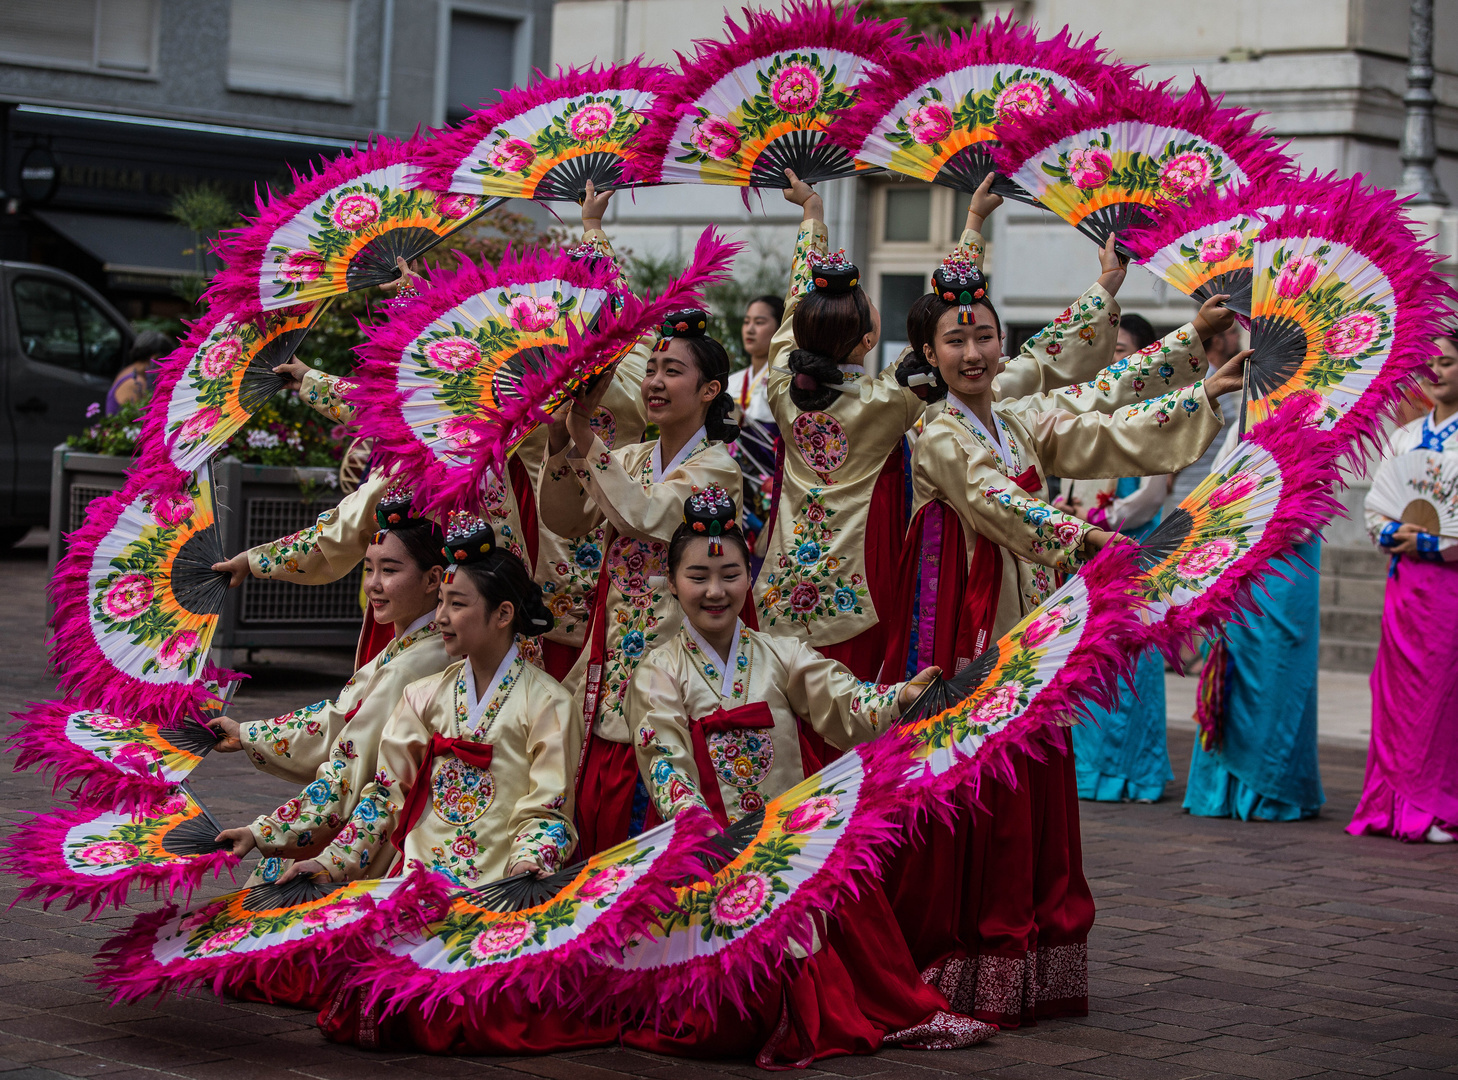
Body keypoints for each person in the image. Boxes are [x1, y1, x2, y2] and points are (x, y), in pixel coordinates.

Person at [880, 266, 1246, 1027]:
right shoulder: (937, 430)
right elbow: (995, 501)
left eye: (985, 336)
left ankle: (1025, 957)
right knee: (975, 781)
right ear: (928, 352)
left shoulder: (1014, 418)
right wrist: (1086, 540)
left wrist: (1203, 383)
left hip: (1028, 616)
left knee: (1030, 776)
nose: (974, 353)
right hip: (963, 632)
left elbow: (1097, 420)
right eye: (956, 342)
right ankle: (955, 957)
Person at [615, 487, 991, 1060]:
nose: (715, 591)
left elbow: (844, 700)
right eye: (697, 576)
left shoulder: (781, 653)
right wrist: (700, 834)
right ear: (671, 583)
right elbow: (663, 759)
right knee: (722, 1021)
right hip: (707, 851)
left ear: (749, 577)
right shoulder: (657, 672)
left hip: (788, 842)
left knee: (851, 964)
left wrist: (897, 698)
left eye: (730, 575)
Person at [535, 303, 742, 855]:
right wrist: (558, 440)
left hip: (675, 657)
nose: (654, 382)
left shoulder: (717, 468)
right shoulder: (630, 457)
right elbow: (565, 519)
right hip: (613, 651)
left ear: (709, 390)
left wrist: (585, 434)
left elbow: (644, 516)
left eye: (672, 371)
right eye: (651, 370)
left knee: (657, 796)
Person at [280, 514, 573, 889]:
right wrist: (332, 861)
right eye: (440, 602)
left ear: (503, 613)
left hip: (502, 883)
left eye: (457, 604)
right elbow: (386, 797)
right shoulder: (421, 695)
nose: (441, 617)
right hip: (415, 880)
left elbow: (548, 808)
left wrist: (529, 861)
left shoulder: (550, 703)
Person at [206, 485, 449, 784]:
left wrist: (271, 828)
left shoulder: (407, 667)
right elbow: (343, 716)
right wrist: (247, 735)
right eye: (368, 569)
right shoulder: (406, 648)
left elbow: (348, 769)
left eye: (388, 570)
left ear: (435, 578)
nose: (373, 584)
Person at [515, 181, 649, 681]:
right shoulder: (639, 368)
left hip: (557, 540)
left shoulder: (527, 379)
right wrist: (592, 226)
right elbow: (622, 302)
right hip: (614, 534)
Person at [1348, 334, 1458, 843]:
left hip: (1449, 587)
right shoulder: (1404, 437)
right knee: (1394, 693)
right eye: (1430, 363)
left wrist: (1435, 542)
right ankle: (1389, 803)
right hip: (1404, 585)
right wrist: (1396, 534)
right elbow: (1377, 509)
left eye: (1448, 362)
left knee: (1442, 694)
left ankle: (1436, 804)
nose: (1437, 372)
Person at [1185, 423, 1325, 822]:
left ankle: (1272, 788)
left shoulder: (1322, 424)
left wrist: (1259, 508)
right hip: (1245, 560)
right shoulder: (1248, 419)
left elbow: (1311, 513)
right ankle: (1224, 790)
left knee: (1281, 669)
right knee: (1237, 663)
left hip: (1289, 564)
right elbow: (1216, 486)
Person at [1062, 314, 1175, 804]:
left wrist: (1097, 518)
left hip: (1133, 551)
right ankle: (1090, 770)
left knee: (1133, 657)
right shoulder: (1091, 409)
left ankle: (1134, 771)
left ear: (1146, 355)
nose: (1113, 358)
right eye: (1109, 348)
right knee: (1090, 654)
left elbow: (1151, 494)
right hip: (1092, 550)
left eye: (1123, 349)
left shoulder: (1159, 413)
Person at [727, 293, 784, 558]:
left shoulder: (784, 385)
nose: (750, 329)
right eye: (747, 321)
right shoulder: (732, 383)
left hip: (772, 491)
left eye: (759, 322)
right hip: (735, 490)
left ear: (780, 329)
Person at [106, 330, 171, 414]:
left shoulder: (127, 370)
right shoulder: (136, 383)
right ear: (155, 358)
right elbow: (143, 416)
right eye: (166, 363)